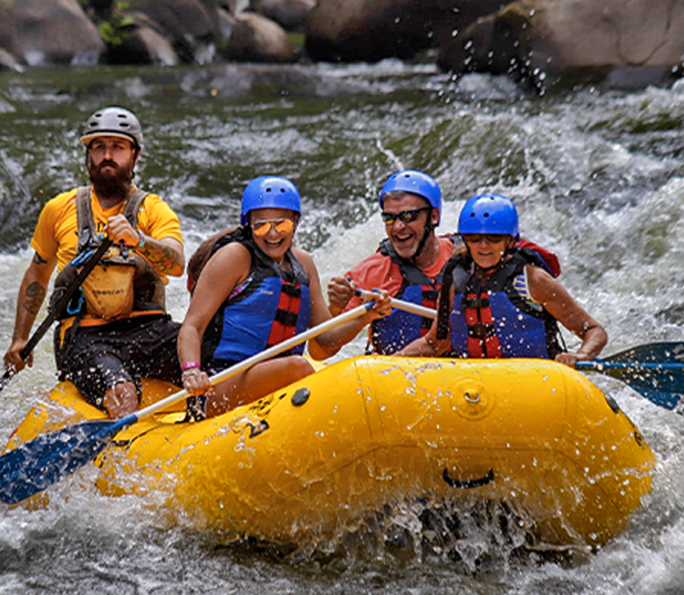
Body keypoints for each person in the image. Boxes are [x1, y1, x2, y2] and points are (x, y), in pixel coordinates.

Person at [3, 106, 185, 418]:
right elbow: (37, 272)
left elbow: (176, 263)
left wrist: (139, 240)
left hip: (149, 331)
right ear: (88, 155)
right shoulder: (59, 208)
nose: (107, 156)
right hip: (85, 338)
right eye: (98, 147)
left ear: (135, 155)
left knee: (212, 348)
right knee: (123, 394)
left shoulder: (154, 210)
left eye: (118, 147)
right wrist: (20, 338)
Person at [178, 175, 391, 417]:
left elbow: (324, 344)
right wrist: (191, 372)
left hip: (278, 384)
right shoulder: (235, 257)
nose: (272, 234)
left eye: (282, 225)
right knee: (298, 366)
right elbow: (192, 326)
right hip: (220, 385)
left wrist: (365, 316)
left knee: (308, 367)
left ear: (295, 221)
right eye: (260, 225)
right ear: (247, 224)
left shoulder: (303, 263)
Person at [327, 169, 561, 355]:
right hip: (401, 378)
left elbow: (537, 268)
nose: (398, 227)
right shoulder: (371, 273)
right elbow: (321, 350)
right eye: (389, 218)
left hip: (473, 378)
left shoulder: (476, 254)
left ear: (434, 216)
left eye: (409, 216)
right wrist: (356, 314)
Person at [399, 192, 606, 366]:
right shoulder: (454, 280)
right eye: (474, 238)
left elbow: (594, 331)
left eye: (494, 238)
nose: (483, 246)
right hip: (476, 384)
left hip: (534, 380)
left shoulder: (533, 280)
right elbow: (435, 344)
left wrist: (580, 356)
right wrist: (392, 363)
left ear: (509, 240)